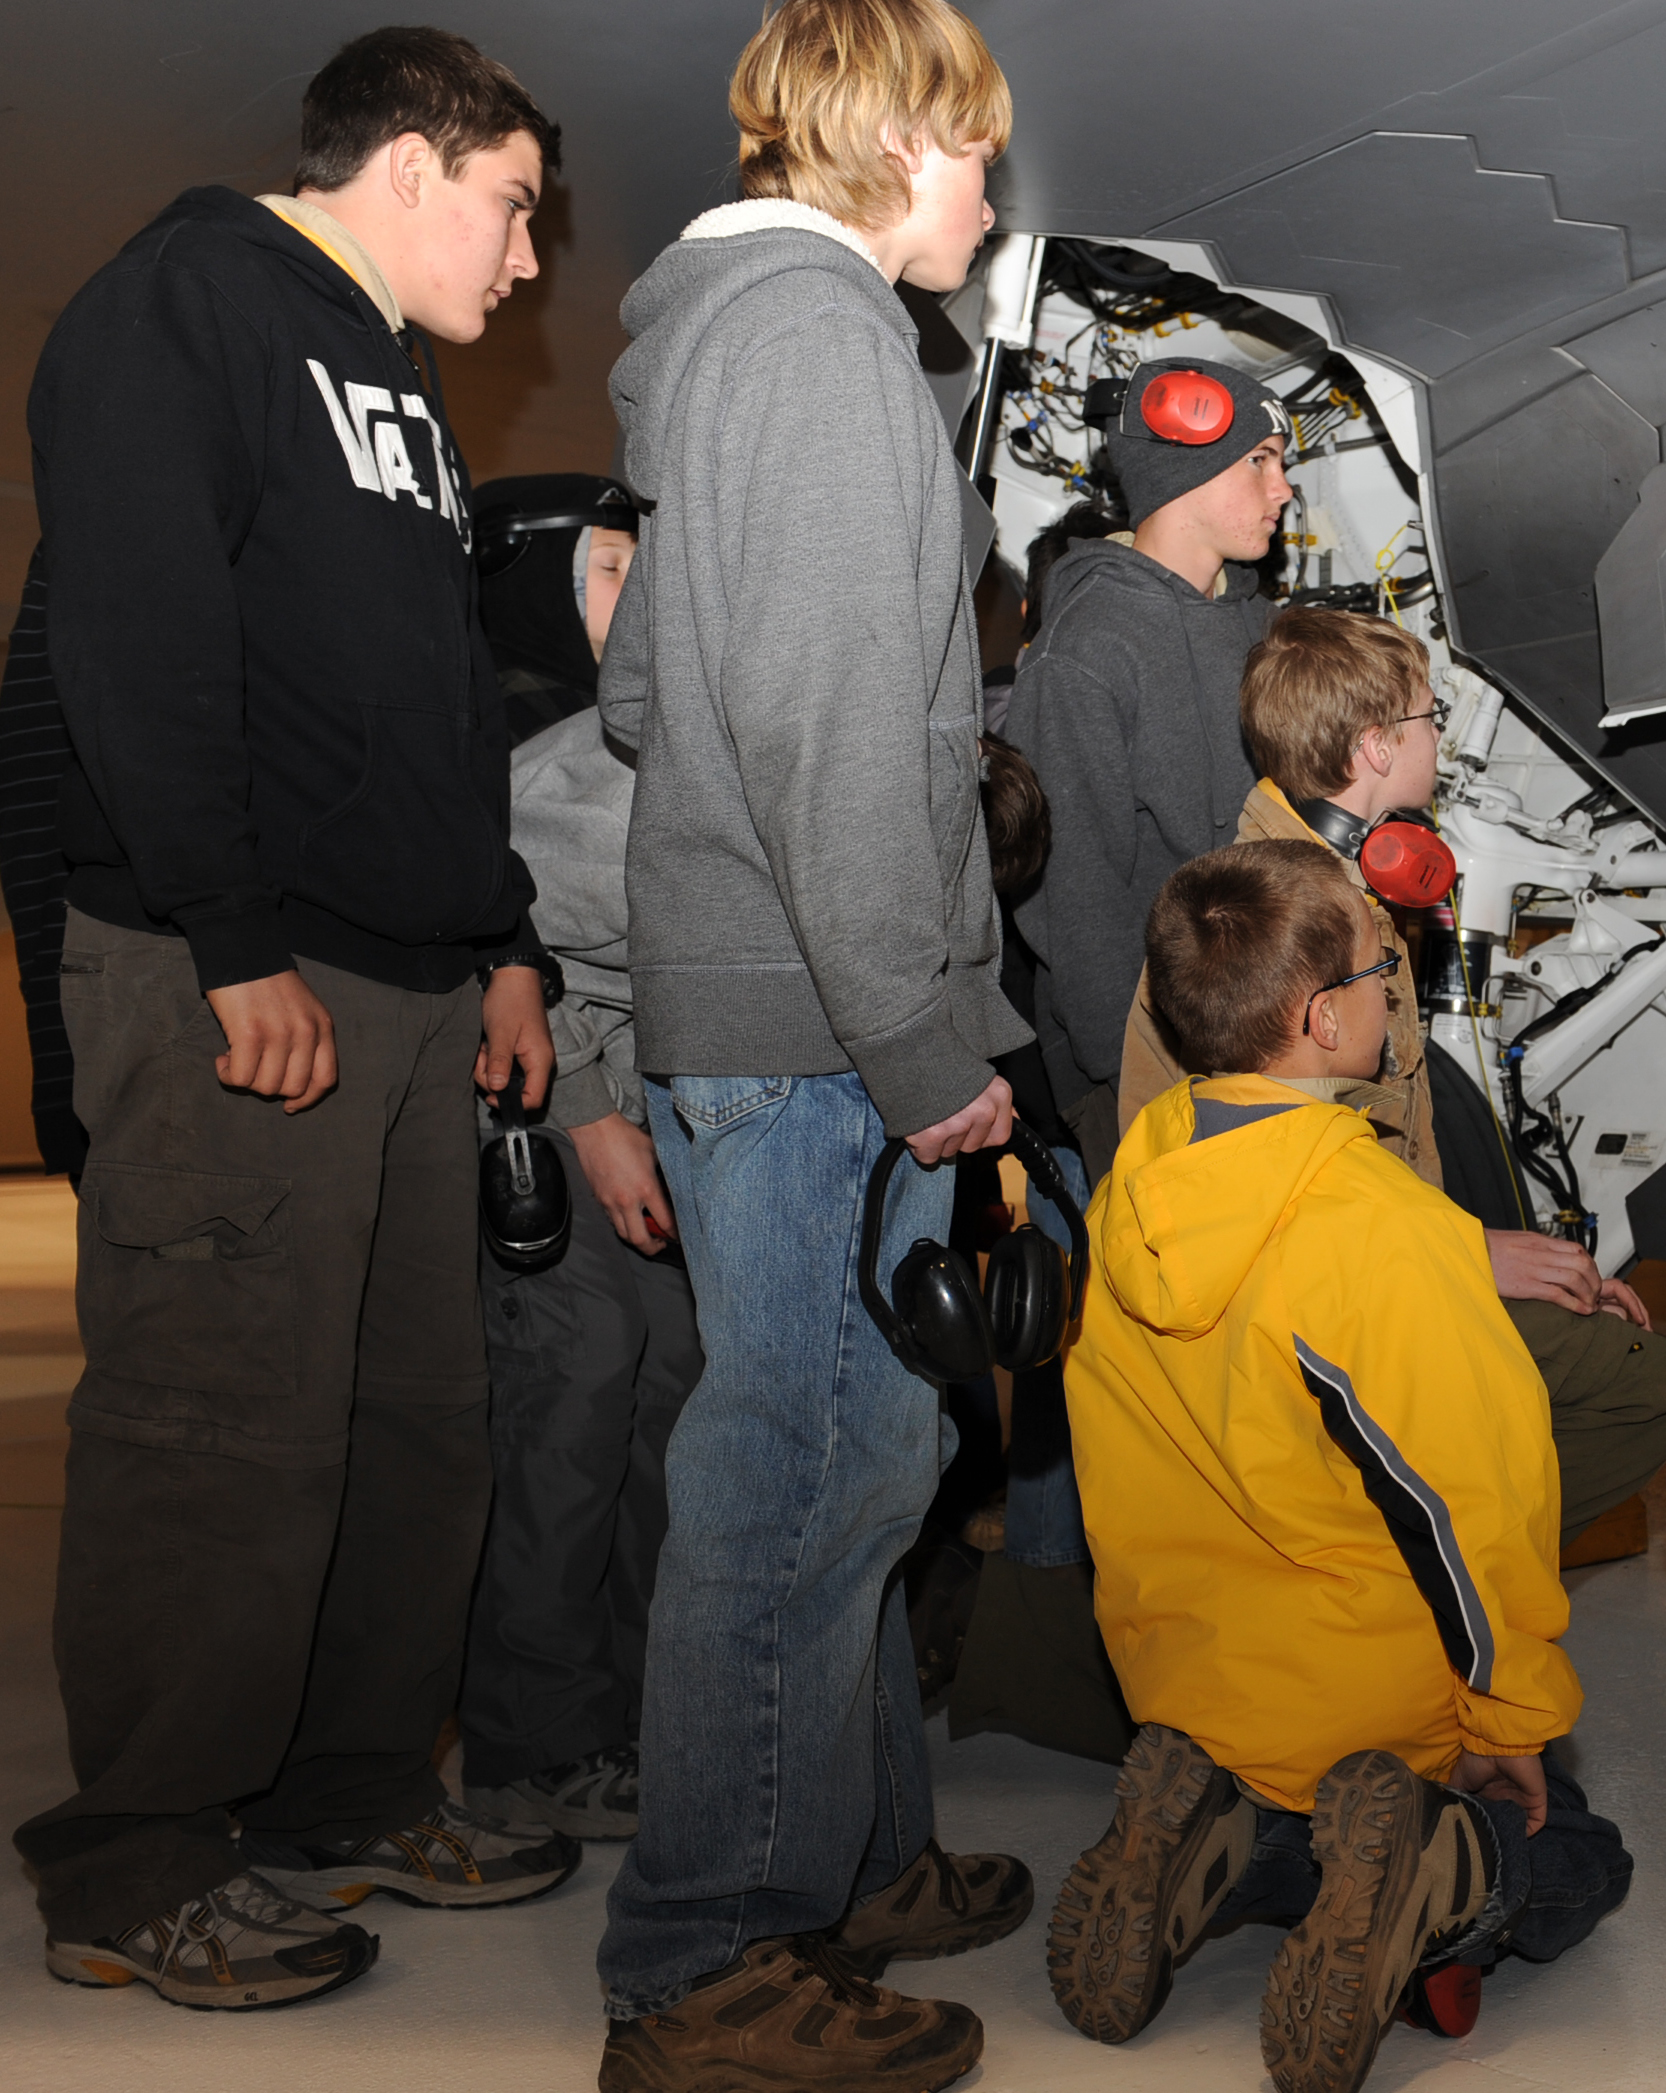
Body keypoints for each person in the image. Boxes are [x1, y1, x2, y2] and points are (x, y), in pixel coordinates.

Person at [13, 27, 578, 2013]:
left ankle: (343, 1787)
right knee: (217, 1426)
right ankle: (135, 1856)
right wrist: (223, 931)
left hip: (415, 985)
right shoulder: (183, 305)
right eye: (515, 205)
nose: (528, 258)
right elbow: (133, 641)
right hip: (246, 972)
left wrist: (504, 933)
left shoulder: (396, 381)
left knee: (414, 1425)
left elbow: (423, 696)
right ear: (416, 160)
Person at [592, 5, 1036, 2086]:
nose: (989, 190)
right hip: (818, 1029)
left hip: (770, 1006)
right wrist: (922, 1026)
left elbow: (642, 703)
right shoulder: (825, 339)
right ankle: (707, 1959)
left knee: (855, 1462)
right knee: (795, 1479)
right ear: (891, 137)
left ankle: (847, 1859)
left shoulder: (717, 343)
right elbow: (835, 735)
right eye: (974, 150)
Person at [1051, 840, 1631, 2093]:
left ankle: (1211, 1822)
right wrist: (1507, 1720)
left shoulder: (1135, 1182)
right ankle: (1439, 1863)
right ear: (1323, 1019)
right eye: (1382, 968)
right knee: (1580, 1854)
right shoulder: (1383, 1225)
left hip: (1190, 1673)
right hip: (1370, 1694)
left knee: (1294, 1808)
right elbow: (1470, 1503)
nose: (1391, 984)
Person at [1121, 609, 1666, 1540]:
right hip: (1333, 1295)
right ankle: (1403, 1555)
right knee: (1653, 1384)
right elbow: (1285, 1192)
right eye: (1433, 718)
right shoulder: (1296, 930)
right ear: (1377, 747)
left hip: (1365, 1265)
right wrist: (1469, 1260)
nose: (1445, 741)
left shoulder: (1281, 889)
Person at [457, 475, 703, 1842]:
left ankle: (635, 1704)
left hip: (630, 1106)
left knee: (659, 1384)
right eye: (611, 572)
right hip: (543, 1113)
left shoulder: (630, 740)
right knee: (571, 1396)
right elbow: (529, 970)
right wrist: (599, 1117)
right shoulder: (528, 764)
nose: (643, 598)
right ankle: (530, 1744)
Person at [1003, 356, 1291, 1175]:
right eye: (1260, 462)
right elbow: (1071, 893)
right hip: (1148, 1073)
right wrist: (1135, 1073)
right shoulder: (1087, 649)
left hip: (1264, 1049)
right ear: (1183, 475)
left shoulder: (1258, 627)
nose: (1282, 490)